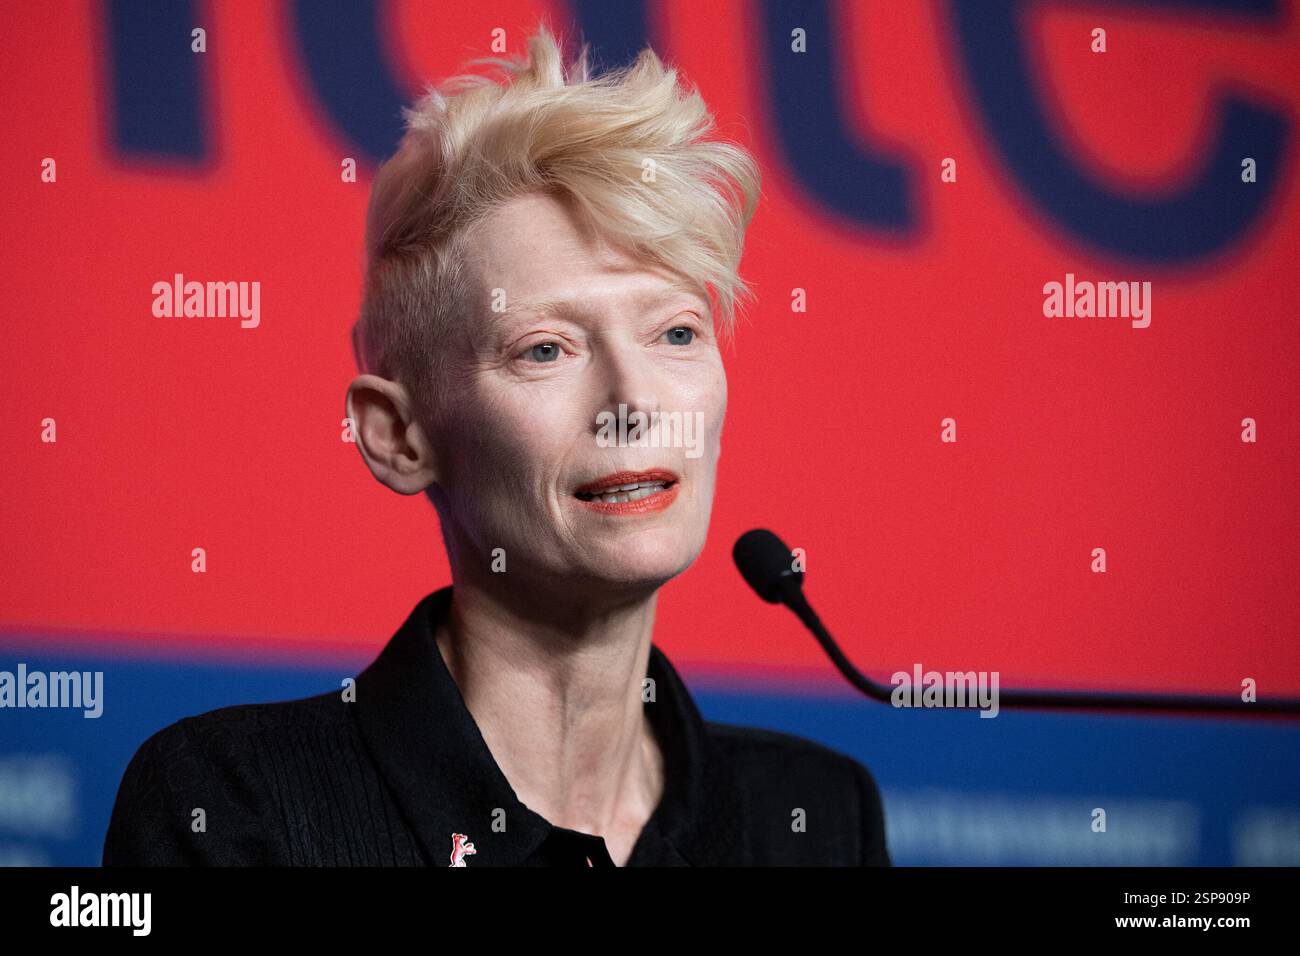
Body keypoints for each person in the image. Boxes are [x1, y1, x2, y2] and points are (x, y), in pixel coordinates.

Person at [102, 23, 889, 867]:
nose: (634, 402)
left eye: (676, 333)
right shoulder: (229, 803)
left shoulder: (816, 818)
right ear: (398, 436)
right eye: (546, 349)